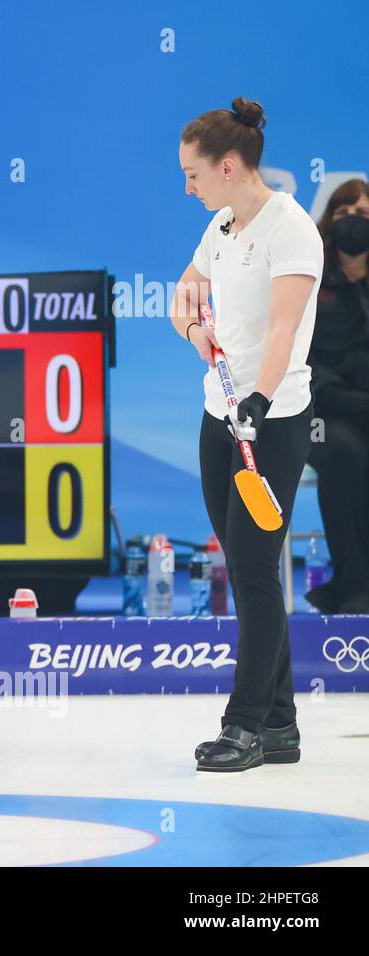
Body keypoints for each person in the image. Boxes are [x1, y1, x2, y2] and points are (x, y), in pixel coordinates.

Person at [171, 98, 323, 772]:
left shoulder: (291, 230)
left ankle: (246, 725)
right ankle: (283, 724)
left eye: (194, 174)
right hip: (217, 416)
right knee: (248, 569)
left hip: (274, 423)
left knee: (258, 576)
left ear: (229, 166)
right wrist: (195, 329)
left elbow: (285, 330)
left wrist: (258, 400)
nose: (188, 187)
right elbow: (185, 292)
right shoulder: (222, 225)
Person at [304, 179, 369, 614]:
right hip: (318, 413)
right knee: (343, 450)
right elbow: (297, 358)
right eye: (343, 214)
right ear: (329, 222)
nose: (352, 223)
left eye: (362, 215)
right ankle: (354, 583)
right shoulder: (308, 277)